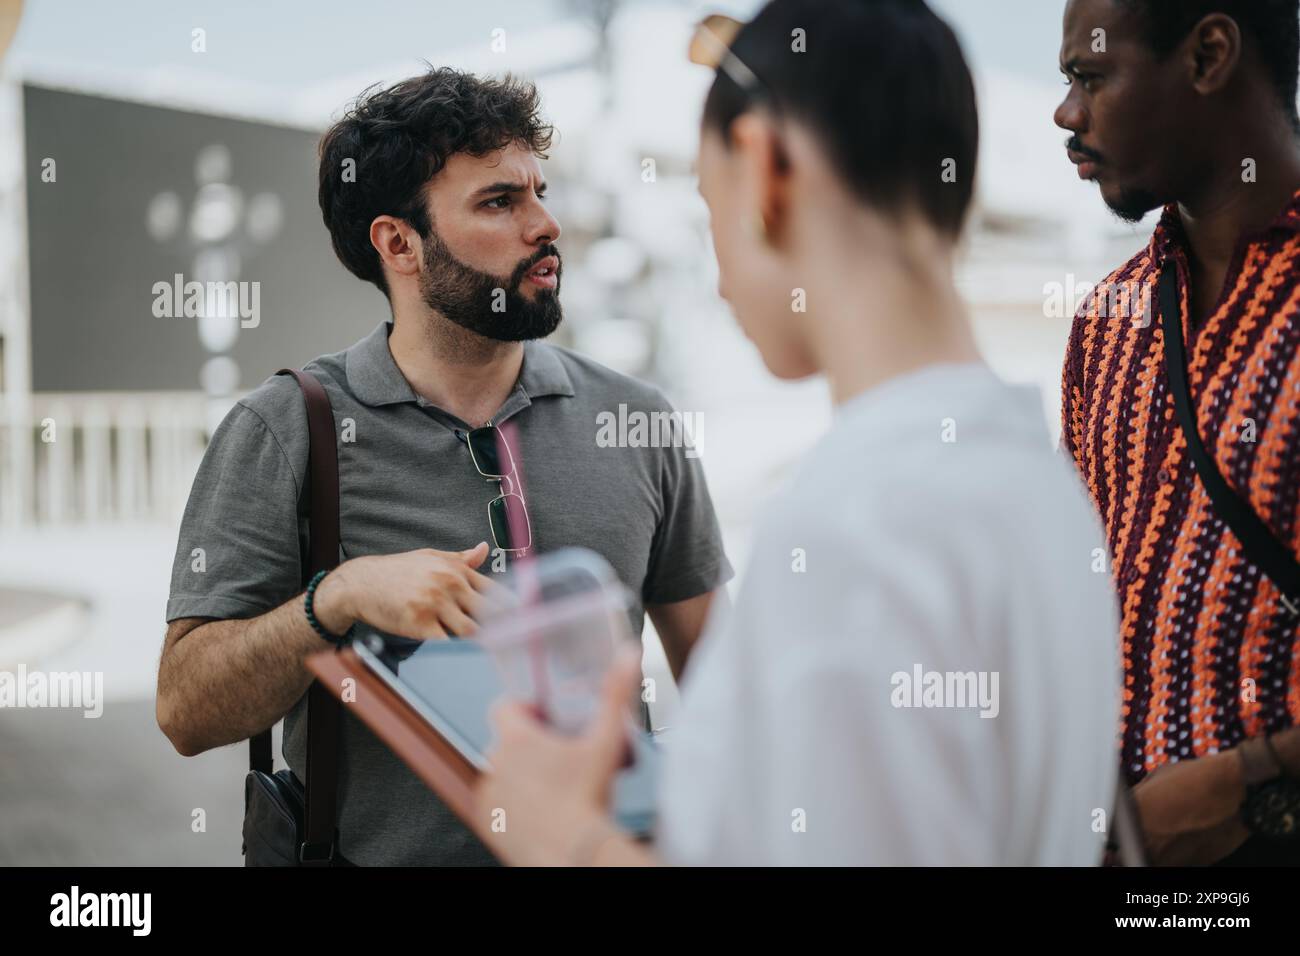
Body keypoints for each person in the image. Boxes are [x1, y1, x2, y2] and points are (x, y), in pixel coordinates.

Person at [470, 0, 1122, 867]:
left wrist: (568, 842)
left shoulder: (860, 530)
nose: (719, 268)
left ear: (765, 167)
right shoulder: (1043, 488)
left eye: (710, 207)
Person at [156, 68, 731, 866]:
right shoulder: (286, 428)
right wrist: (337, 599)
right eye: (500, 202)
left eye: (539, 191)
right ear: (399, 243)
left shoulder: (636, 421)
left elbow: (725, 688)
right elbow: (186, 709)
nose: (547, 225)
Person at [1055, 0, 1300, 864]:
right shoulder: (1105, 322)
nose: (1066, 113)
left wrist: (1251, 787)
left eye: (1090, 76)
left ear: (1207, 55)